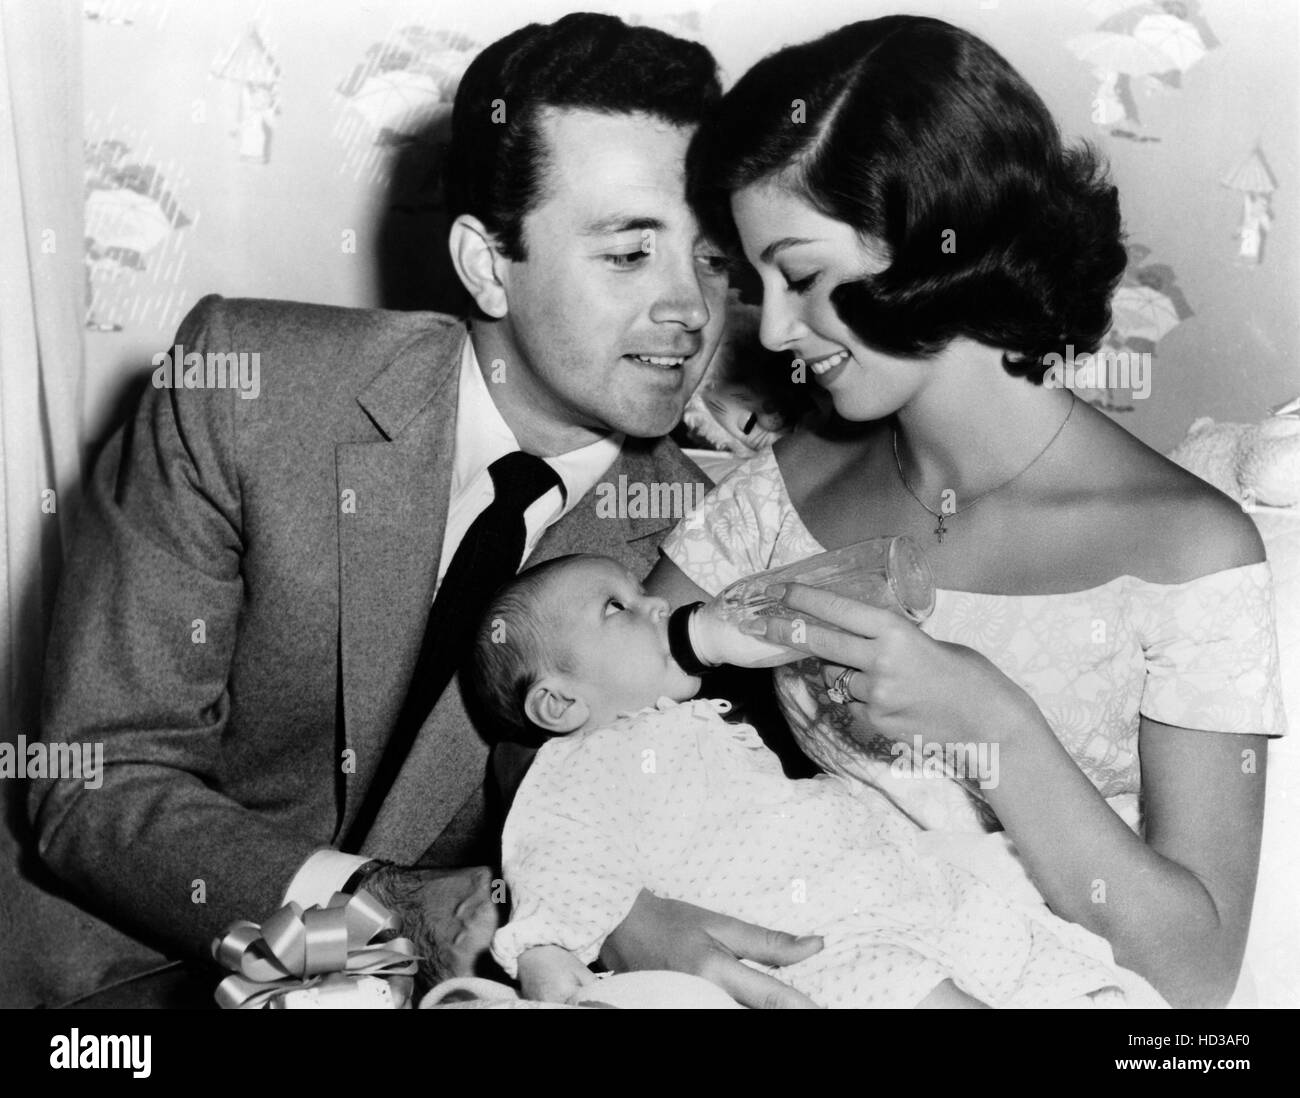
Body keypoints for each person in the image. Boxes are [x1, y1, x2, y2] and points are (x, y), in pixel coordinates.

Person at [29, 13, 751, 1005]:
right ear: (487, 263)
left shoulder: (702, 540)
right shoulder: (241, 387)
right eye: (630, 254)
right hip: (97, 974)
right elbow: (94, 782)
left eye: (712, 259)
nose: (689, 307)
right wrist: (373, 916)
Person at [633, 16, 1286, 1009]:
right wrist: (634, 916)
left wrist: (993, 725)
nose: (769, 329)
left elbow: (1194, 983)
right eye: (757, 281)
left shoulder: (1186, 547)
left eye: (801, 277)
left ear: (939, 241)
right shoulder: (796, 475)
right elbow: (596, 706)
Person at [471, 553, 1167, 1008]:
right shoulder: (578, 769)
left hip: (891, 886)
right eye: (616, 607)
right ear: (557, 703)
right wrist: (545, 959)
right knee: (909, 986)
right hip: (811, 937)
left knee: (1030, 947)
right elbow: (556, 861)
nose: (656, 604)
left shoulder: (706, 719)